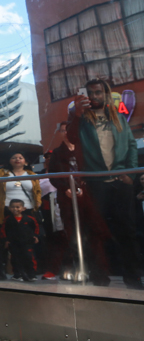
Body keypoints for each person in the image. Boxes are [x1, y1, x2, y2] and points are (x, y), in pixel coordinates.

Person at [67, 78, 142, 289]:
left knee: (127, 231)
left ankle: (133, 276)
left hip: (120, 181)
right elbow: (71, 139)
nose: (94, 97)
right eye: (90, 93)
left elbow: (131, 145)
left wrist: (130, 175)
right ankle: (99, 275)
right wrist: (76, 113)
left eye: (98, 92)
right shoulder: (81, 120)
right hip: (95, 181)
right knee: (95, 231)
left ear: (106, 94)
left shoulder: (118, 117)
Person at [49, 124, 111, 285]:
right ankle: (79, 271)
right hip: (67, 199)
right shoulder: (57, 153)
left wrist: (85, 186)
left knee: (94, 234)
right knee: (73, 236)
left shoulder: (85, 149)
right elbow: (53, 177)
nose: (67, 133)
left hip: (88, 198)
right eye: (64, 130)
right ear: (61, 133)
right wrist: (65, 189)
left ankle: (99, 273)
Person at [0, 152, 41, 280]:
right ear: (9, 160)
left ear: (26, 161)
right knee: (4, 243)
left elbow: (37, 191)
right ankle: (2, 271)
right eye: (14, 157)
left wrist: (38, 202)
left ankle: (27, 272)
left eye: (20, 157)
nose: (17, 159)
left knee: (26, 244)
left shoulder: (32, 175)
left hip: (27, 211)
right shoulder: (0, 173)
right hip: (5, 211)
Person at [0, 199, 40, 282]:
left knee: (29, 257)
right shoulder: (8, 219)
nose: (15, 209)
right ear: (9, 208)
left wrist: (36, 236)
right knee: (15, 259)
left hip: (27, 242)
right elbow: (3, 230)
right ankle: (17, 274)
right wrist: (6, 240)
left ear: (23, 208)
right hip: (14, 243)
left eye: (18, 207)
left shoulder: (29, 219)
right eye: (13, 207)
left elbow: (36, 227)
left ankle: (31, 274)